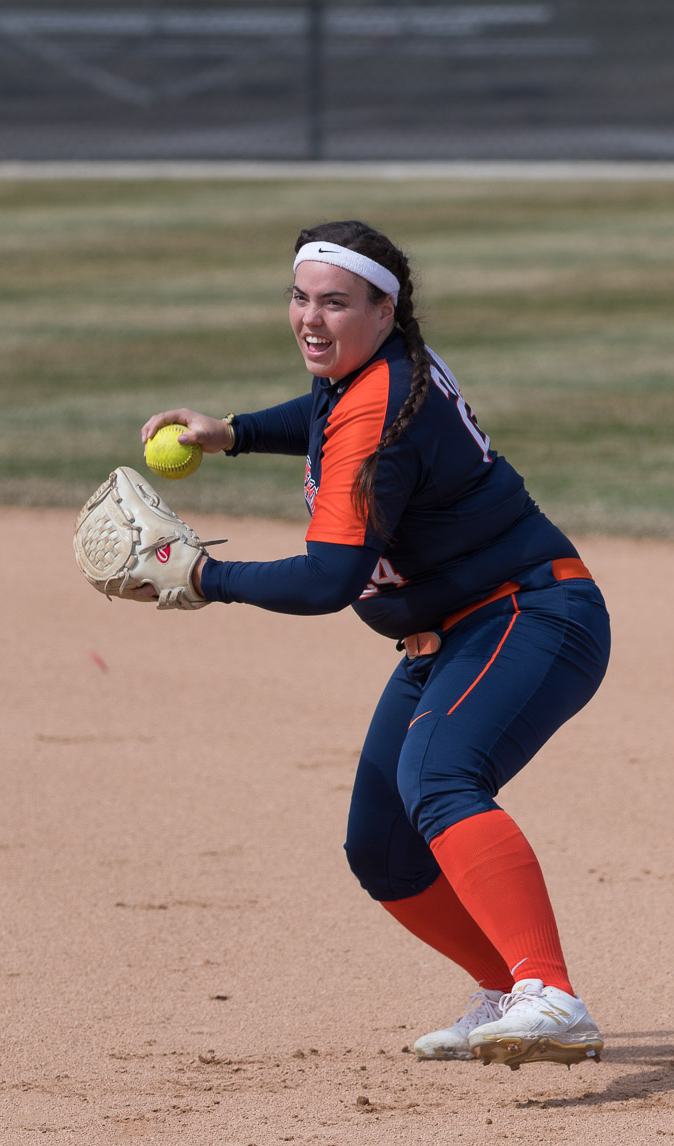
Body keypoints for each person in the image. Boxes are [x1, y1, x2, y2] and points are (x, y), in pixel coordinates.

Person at [134, 221, 610, 1067]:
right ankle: (507, 990)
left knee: (439, 775)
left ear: (387, 310)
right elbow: (320, 416)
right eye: (300, 298)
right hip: (454, 630)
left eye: (336, 303)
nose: (311, 320)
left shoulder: (381, 416)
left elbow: (327, 582)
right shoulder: (373, 375)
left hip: (529, 615)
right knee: (381, 844)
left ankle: (551, 995)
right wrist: (232, 432)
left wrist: (203, 577)